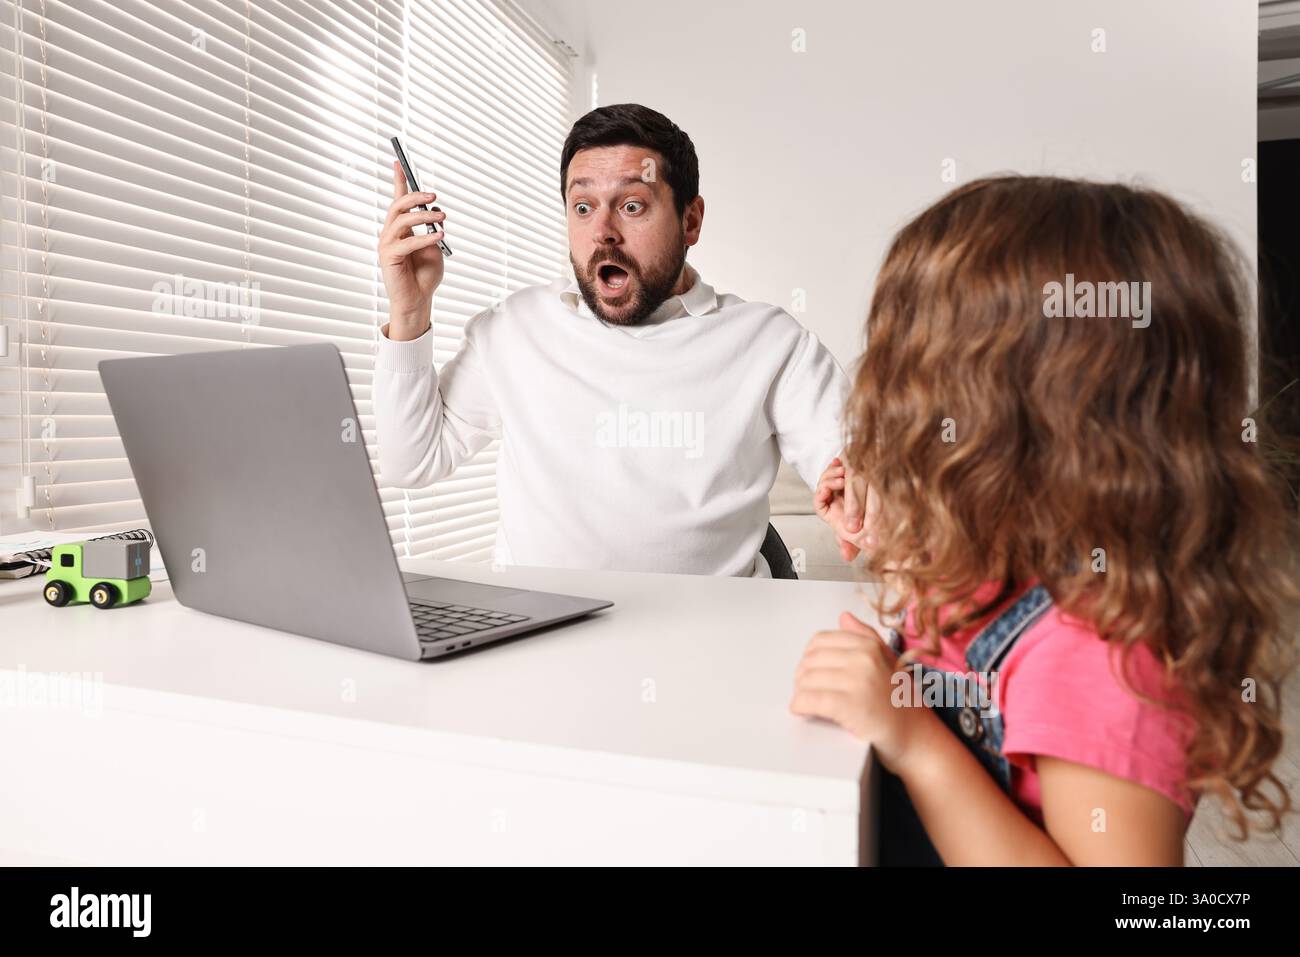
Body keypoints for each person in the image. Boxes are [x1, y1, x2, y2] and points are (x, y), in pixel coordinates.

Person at [793, 176, 1298, 865]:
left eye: (910, 364)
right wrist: (886, 535)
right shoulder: (1012, 560)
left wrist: (913, 737)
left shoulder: (1102, 661)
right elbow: (965, 636)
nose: (884, 388)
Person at [374, 104, 847, 576]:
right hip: (544, 636)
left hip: (711, 637)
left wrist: (864, 499)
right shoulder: (513, 329)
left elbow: (855, 469)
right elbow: (410, 461)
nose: (602, 233)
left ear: (690, 221)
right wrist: (410, 309)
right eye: (583, 208)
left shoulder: (770, 343)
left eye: (632, 206)